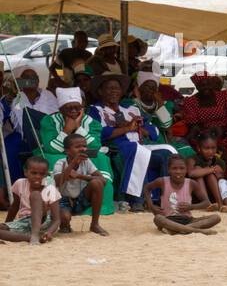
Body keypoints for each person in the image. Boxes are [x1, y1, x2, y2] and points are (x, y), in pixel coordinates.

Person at [90, 71, 176, 208]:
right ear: (100, 91)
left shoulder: (131, 109)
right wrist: (127, 128)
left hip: (140, 145)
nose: (114, 91)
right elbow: (99, 133)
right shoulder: (95, 110)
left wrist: (138, 128)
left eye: (117, 88)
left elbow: (153, 131)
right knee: (136, 150)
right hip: (117, 147)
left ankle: (166, 197)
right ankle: (136, 199)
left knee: (168, 152)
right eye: (109, 88)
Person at [37, 87, 115, 215]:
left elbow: (95, 146)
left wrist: (78, 127)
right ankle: (53, 207)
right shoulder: (48, 121)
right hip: (57, 153)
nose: (74, 111)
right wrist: (67, 130)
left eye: (77, 107)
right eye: (69, 108)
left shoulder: (92, 123)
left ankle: (102, 207)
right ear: (61, 109)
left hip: (85, 153)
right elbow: (49, 147)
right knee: (49, 158)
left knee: (101, 158)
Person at [143, 153, 222, 235]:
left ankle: (175, 230)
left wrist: (191, 207)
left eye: (182, 168)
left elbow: (206, 202)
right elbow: (146, 188)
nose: (178, 171)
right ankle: (198, 231)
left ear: (186, 170)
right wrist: (151, 206)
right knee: (157, 218)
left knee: (216, 217)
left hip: (188, 220)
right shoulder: (162, 181)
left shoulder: (191, 183)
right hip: (168, 219)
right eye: (174, 168)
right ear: (168, 170)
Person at [179, 71, 227, 161]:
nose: (205, 87)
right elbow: (192, 124)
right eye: (201, 85)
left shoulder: (224, 95)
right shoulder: (190, 102)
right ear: (197, 87)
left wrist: (222, 129)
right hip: (205, 134)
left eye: (207, 84)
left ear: (211, 83)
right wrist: (207, 135)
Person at [52, 132, 108, 235]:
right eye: (77, 147)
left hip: (81, 199)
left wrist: (79, 176)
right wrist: (73, 163)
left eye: (84, 146)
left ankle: (94, 224)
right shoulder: (60, 163)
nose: (82, 149)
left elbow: (103, 181)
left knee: (97, 183)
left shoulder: (86, 161)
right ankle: (65, 225)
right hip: (64, 200)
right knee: (64, 218)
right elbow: (57, 181)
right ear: (67, 151)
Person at [129, 74, 194, 158]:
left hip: (163, 140)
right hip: (144, 141)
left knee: (188, 151)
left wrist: (160, 103)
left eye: (154, 87)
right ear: (139, 88)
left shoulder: (165, 104)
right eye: (147, 86)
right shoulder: (131, 104)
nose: (151, 90)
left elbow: (167, 126)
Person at [0, 155, 58, 244]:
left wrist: (49, 232)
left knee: (35, 195)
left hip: (43, 221)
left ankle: (35, 235)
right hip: (24, 222)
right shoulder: (19, 183)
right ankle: (30, 237)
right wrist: (7, 225)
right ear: (26, 172)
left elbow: (56, 219)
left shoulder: (50, 188)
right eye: (34, 173)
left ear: (46, 174)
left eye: (42, 174)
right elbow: (14, 207)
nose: (38, 176)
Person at [188, 131, 227, 211]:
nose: (211, 151)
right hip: (197, 194)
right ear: (199, 148)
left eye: (213, 148)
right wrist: (211, 169)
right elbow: (191, 173)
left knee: (210, 175)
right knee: (198, 170)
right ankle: (205, 202)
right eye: (207, 148)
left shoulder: (219, 162)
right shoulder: (192, 159)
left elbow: (221, 181)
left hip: (213, 195)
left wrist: (219, 175)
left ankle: (220, 204)